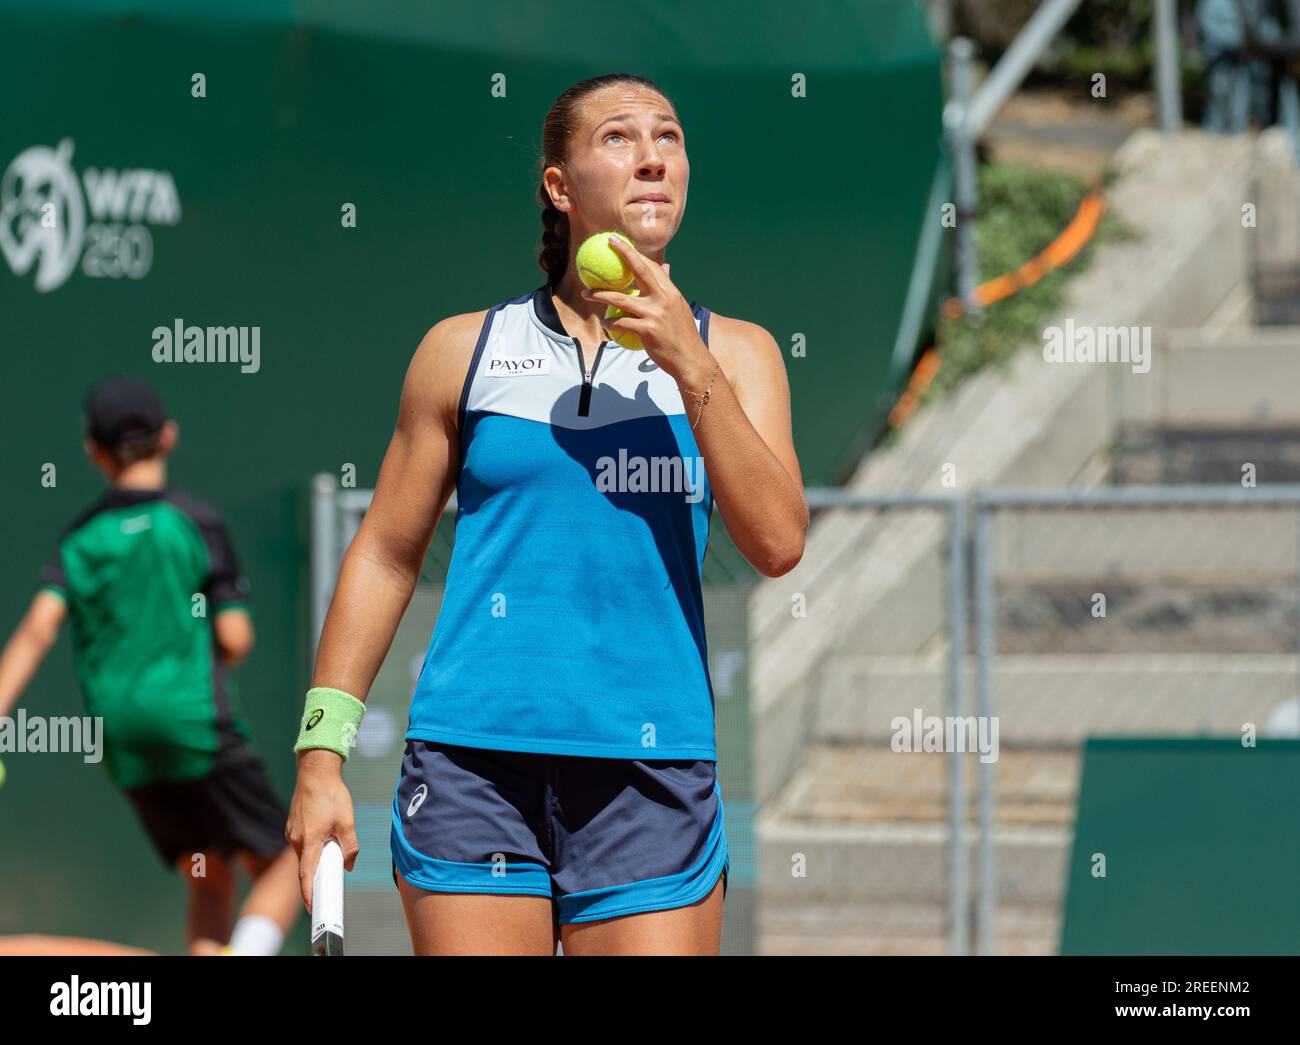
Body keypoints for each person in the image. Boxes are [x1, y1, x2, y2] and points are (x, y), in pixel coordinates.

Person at [287, 73, 808, 955]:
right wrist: (319, 756)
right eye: (618, 137)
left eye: (669, 137)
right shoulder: (462, 348)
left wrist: (690, 362)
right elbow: (384, 552)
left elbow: (778, 541)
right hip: (470, 765)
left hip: (654, 769)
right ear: (558, 187)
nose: (652, 156)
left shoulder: (739, 353)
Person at [0, 376, 300, 956]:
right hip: (192, 722)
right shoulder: (193, 521)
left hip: (122, 743)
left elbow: (38, 630)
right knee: (287, 862)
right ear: (168, 437)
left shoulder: (79, 540)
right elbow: (236, 638)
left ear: (93, 451)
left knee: (207, 871)